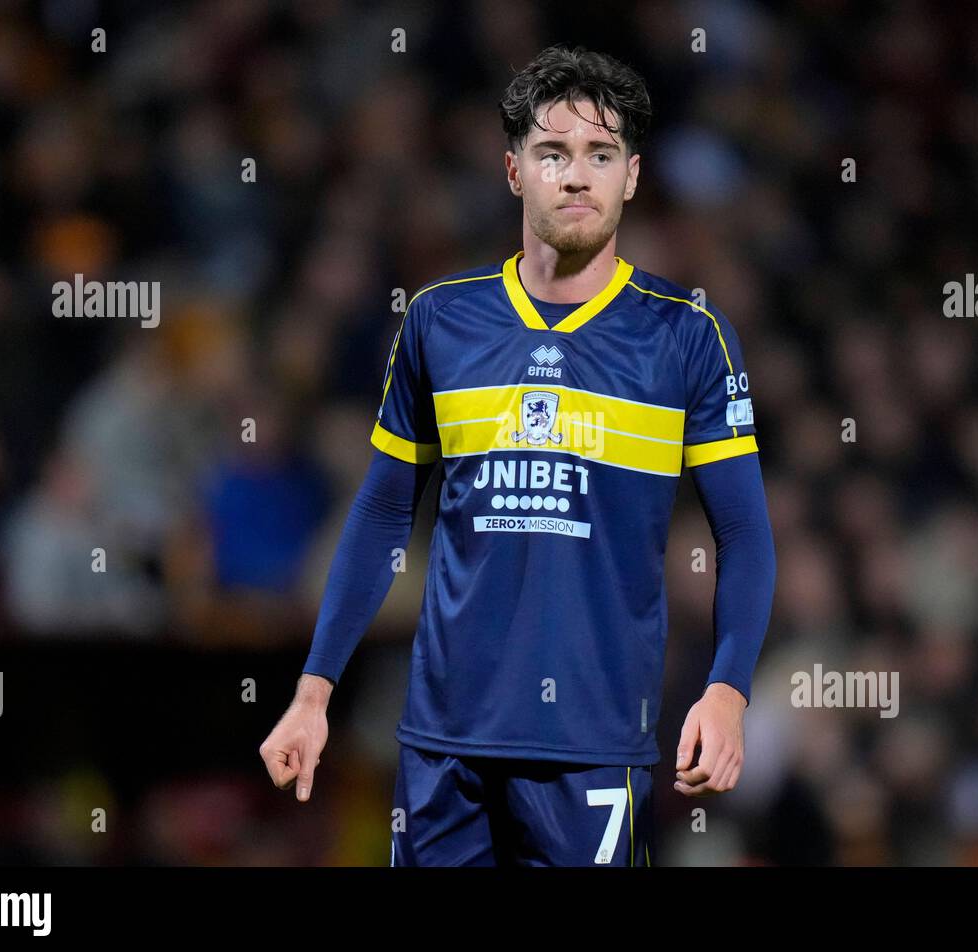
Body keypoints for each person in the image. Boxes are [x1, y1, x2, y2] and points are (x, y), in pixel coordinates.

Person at [260, 44, 776, 866]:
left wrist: (728, 689)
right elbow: (384, 511)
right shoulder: (438, 321)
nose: (578, 176)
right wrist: (313, 690)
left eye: (601, 155)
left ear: (632, 176)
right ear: (512, 171)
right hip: (443, 741)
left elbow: (743, 534)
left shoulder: (687, 335)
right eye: (553, 153)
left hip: (595, 741)